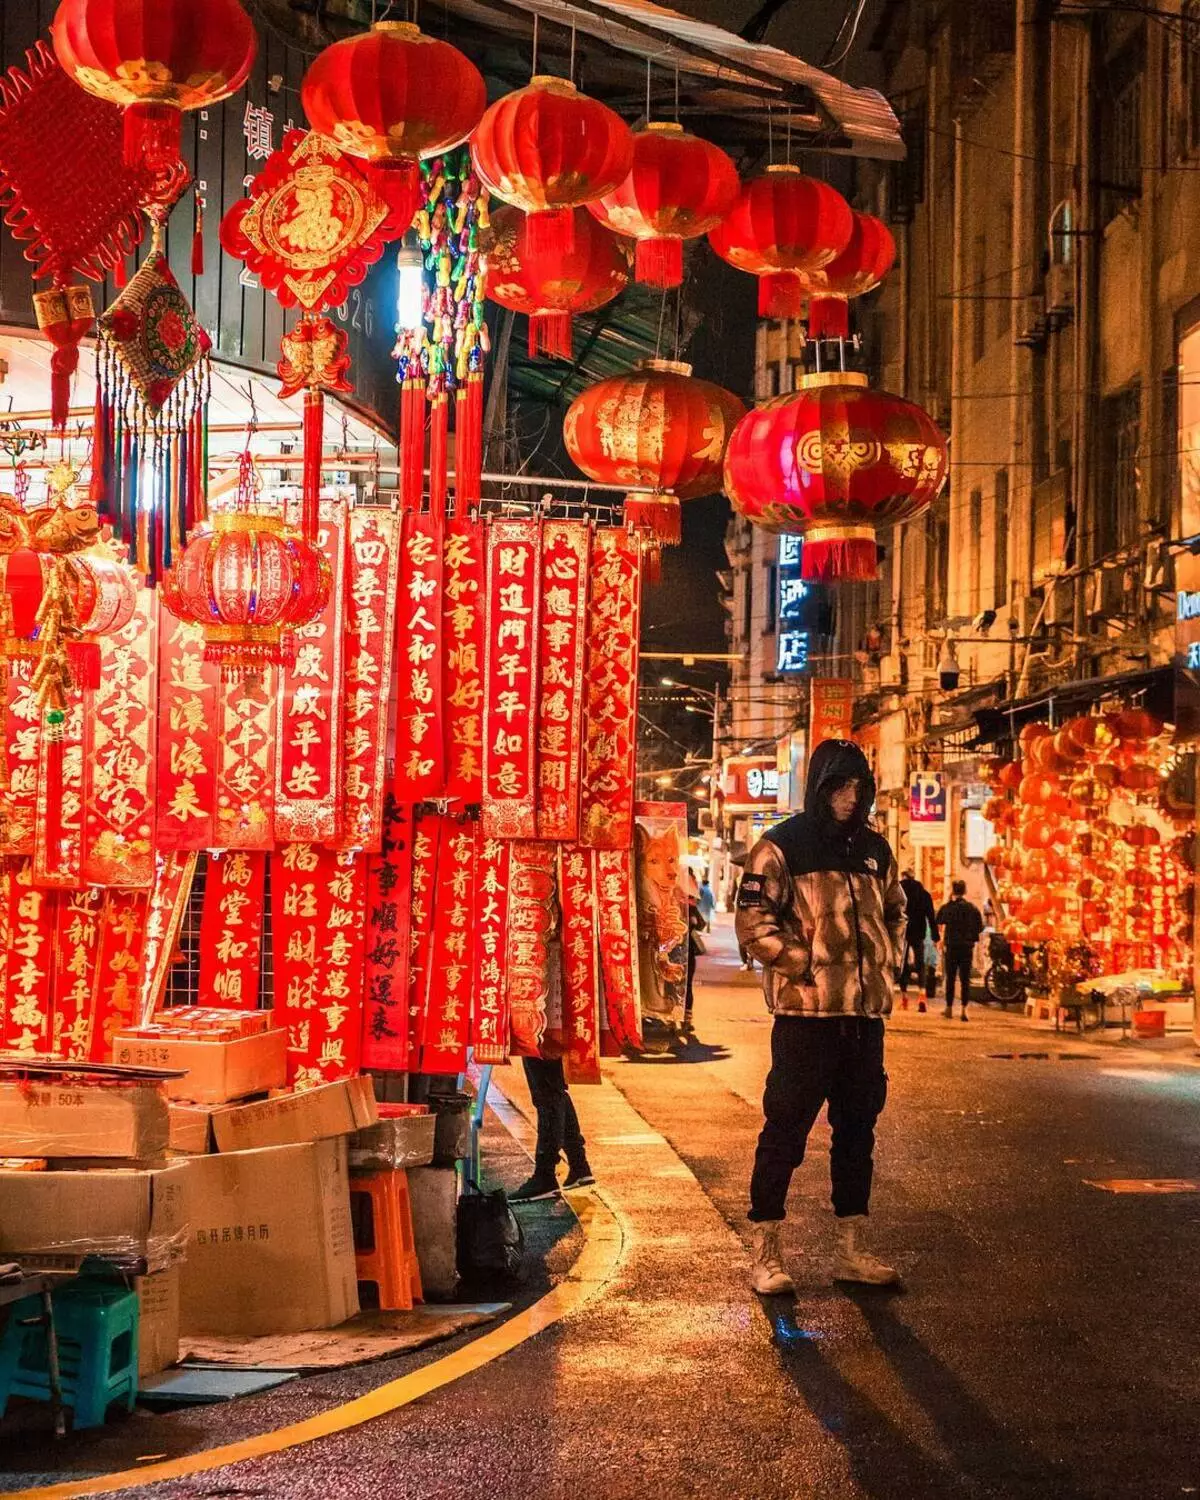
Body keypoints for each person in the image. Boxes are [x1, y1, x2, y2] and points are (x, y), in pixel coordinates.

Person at [736, 738, 907, 1294]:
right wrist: (802, 964)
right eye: (840, 786)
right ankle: (766, 1253)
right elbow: (754, 923)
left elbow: (896, 912)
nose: (850, 798)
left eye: (859, 787)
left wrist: (886, 963)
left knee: (858, 1133)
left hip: (864, 1020)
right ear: (819, 787)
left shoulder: (876, 850)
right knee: (785, 1130)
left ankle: (852, 1251)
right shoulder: (780, 847)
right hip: (804, 1020)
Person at [510, 1056, 595, 1202]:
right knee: (555, 1088)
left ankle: (545, 1176)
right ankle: (578, 1164)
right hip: (554, 1036)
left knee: (546, 1092)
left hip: (543, 1036)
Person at [936, 880, 984, 1020]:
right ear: (964, 891)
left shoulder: (948, 907)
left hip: (951, 946)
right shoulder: (972, 908)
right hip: (967, 947)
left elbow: (938, 919)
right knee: (965, 979)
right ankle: (964, 1010)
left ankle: (949, 1008)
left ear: (953, 890)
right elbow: (980, 927)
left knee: (950, 977)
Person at [898, 869, 938, 1013]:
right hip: (919, 932)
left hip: (902, 932)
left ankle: (904, 997)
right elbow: (931, 917)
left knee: (903, 964)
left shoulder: (899, 890)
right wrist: (935, 936)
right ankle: (922, 995)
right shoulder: (924, 894)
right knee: (921, 964)